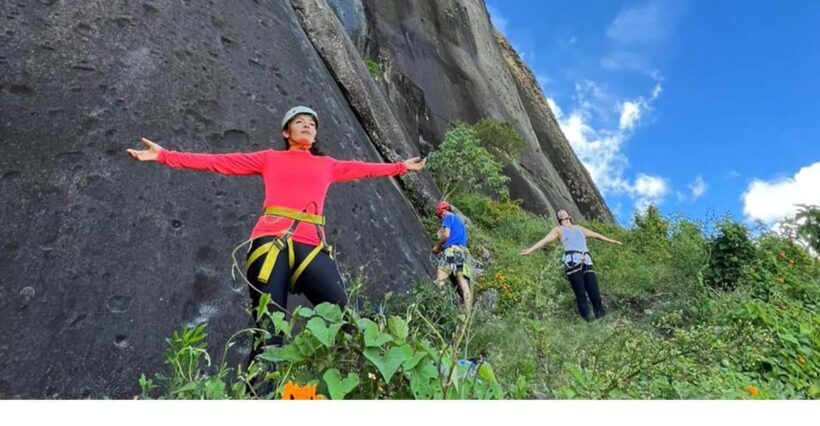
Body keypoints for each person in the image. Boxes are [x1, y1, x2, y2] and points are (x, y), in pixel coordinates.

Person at [127, 106, 427, 348]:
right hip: (271, 243)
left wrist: (401, 166)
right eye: (300, 121)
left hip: (312, 246)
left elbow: (366, 170)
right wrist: (165, 155)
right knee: (268, 336)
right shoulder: (269, 159)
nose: (308, 125)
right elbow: (218, 162)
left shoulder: (328, 164)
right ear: (287, 132)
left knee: (348, 320)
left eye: (312, 122)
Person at [520, 209, 621, 321]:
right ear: (559, 218)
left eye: (564, 211)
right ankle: (590, 322)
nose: (561, 212)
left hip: (586, 261)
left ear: (569, 215)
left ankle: (601, 319)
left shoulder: (579, 228)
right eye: (559, 213)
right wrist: (531, 249)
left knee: (595, 293)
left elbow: (596, 235)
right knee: (581, 294)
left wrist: (611, 240)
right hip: (572, 262)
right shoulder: (558, 230)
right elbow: (545, 241)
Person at [432, 200, 472, 312]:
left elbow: (446, 234)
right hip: (460, 253)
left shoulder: (448, 217)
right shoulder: (460, 223)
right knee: (462, 281)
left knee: (441, 278)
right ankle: (467, 311)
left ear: (443, 212)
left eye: (440, 217)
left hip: (450, 252)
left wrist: (437, 247)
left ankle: (444, 308)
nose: (441, 219)